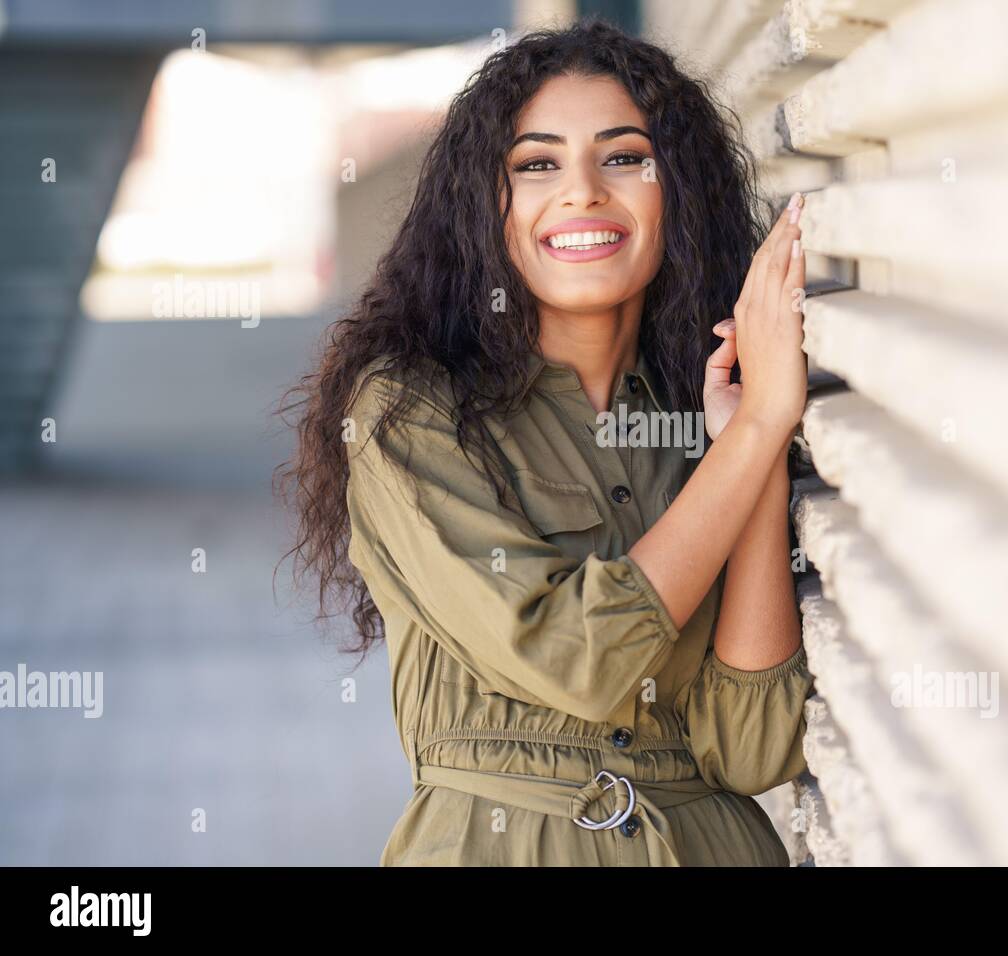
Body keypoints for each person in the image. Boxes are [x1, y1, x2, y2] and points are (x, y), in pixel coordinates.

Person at [275, 18, 814, 866]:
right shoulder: (410, 412)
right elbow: (580, 660)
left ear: (681, 189)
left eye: (625, 156)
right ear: (488, 206)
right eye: (536, 164)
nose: (584, 192)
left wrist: (756, 443)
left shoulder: (702, 414)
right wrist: (753, 434)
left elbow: (752, 747)